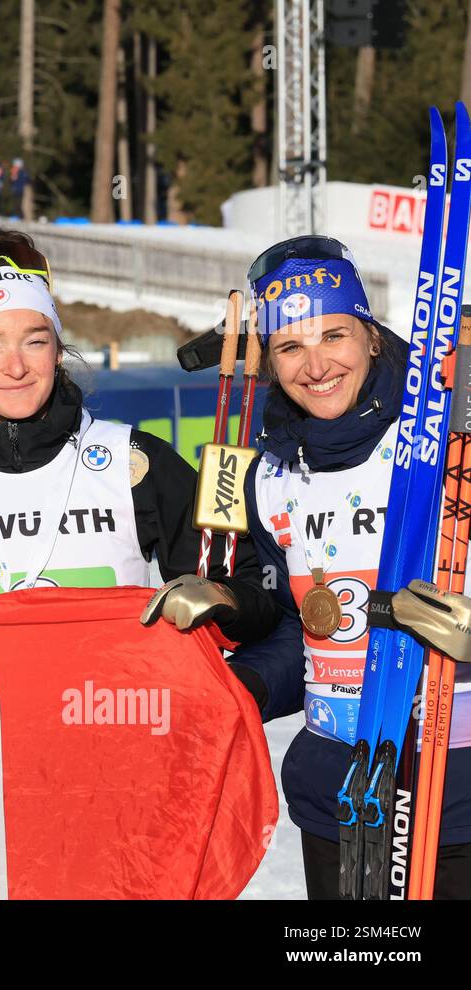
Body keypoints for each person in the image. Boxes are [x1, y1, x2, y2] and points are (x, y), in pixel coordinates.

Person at [229, 235, 471, 899]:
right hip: (342, 798)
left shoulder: (449, 443)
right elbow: (293, 632)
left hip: (456, 799)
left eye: (334, 335)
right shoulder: (271, 477)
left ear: (370, 335)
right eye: (290, 347)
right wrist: (240, 689)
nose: (316, 365)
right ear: (271, 361)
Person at [0, 226, 279, 652]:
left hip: (110, 712)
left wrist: (227, 600)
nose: (16, 367)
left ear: (57, 350)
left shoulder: (133, 462)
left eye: (35, 341)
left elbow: (253, 591)